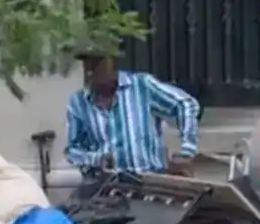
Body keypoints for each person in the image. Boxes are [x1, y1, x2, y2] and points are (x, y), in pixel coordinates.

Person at [63, 52, 201, 176]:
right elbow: (72, 151)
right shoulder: (78, 102)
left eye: (97, 64)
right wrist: (96, 159)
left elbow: (186, 104)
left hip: (150, 178)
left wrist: (187, 151)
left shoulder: (142, 86)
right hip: (105, 185)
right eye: (86, 65)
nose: (89, 72)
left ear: (113, 64)